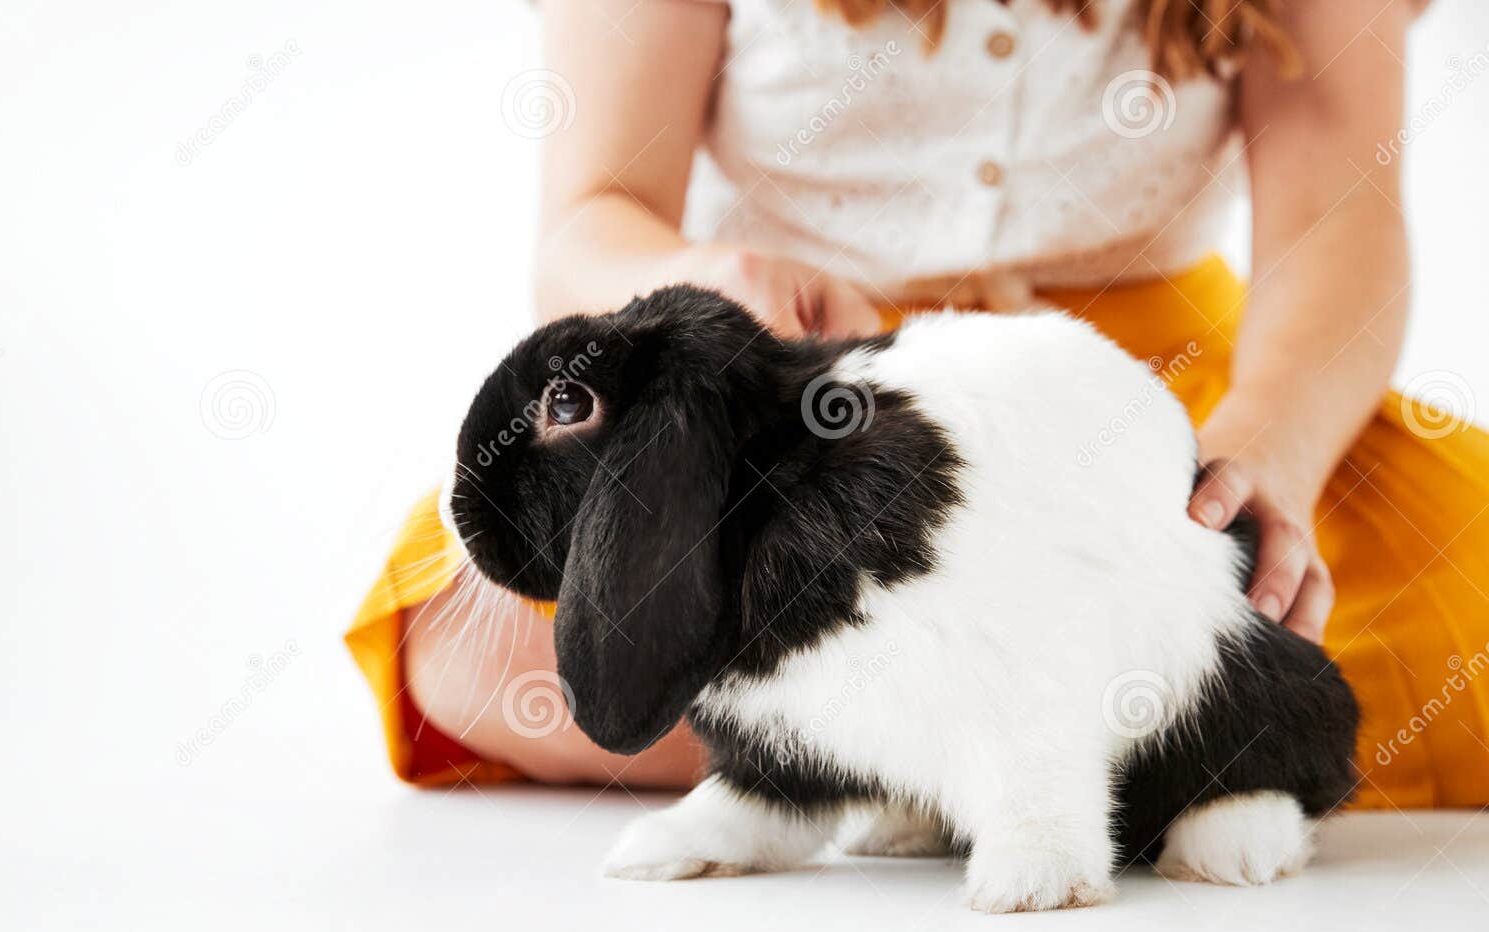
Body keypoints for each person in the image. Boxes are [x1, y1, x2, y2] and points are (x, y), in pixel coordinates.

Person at [347, 0, 1487, 809]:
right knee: (460, 642)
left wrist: (1264, 451)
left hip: (1153, 399)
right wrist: (716, 287)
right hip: (811, 414)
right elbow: (589, 217)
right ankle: (1123, 740)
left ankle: (880, 759)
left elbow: (1341, 215)